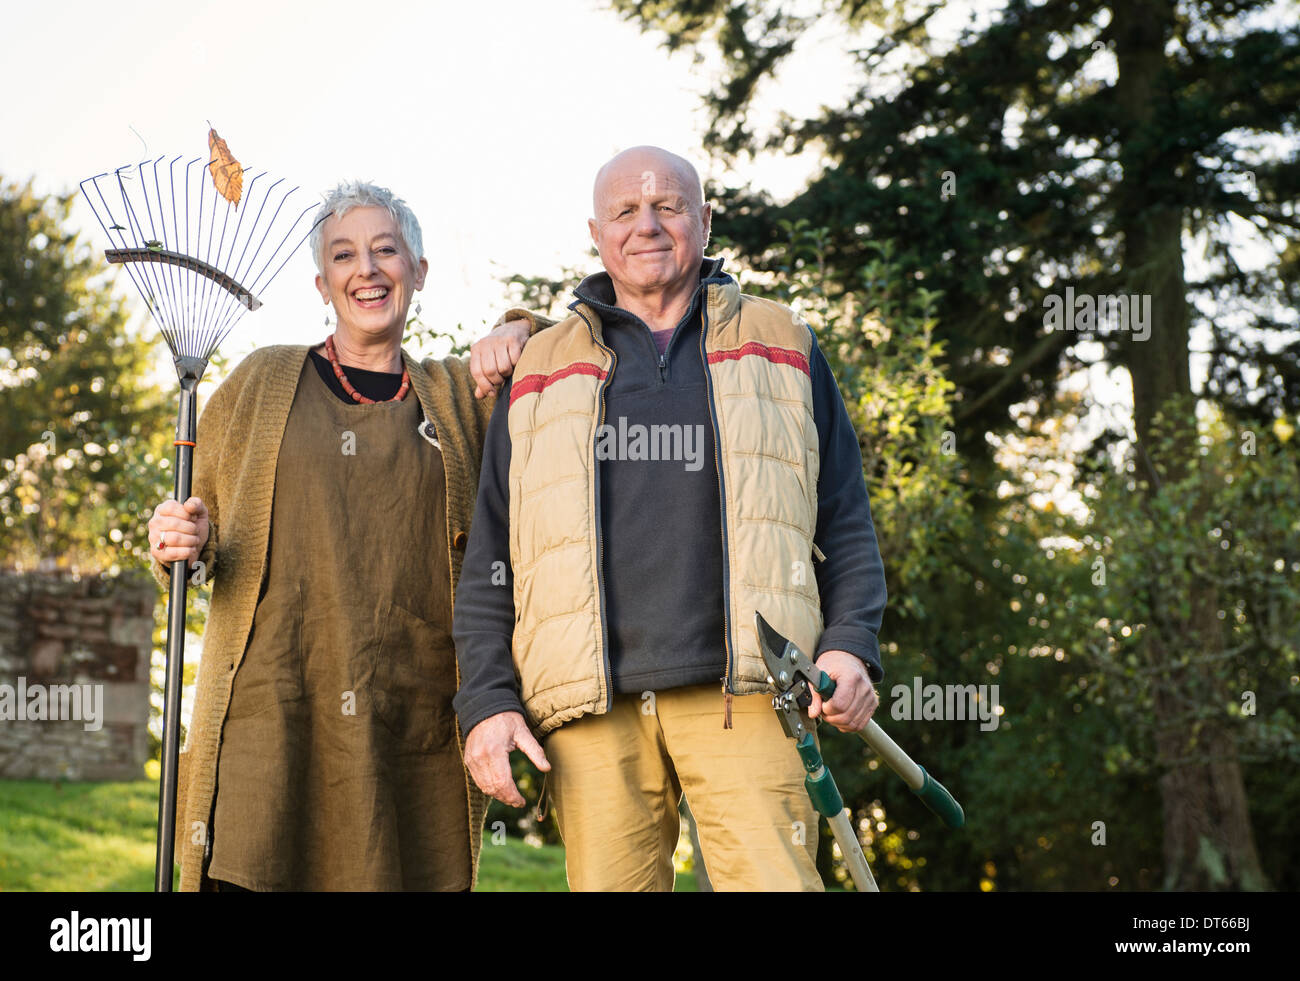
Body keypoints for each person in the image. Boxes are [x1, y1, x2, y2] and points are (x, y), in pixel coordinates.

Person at [452, 146, 888, 891]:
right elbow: (492, 550)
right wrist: (487, 699)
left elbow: (843, 515)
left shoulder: (783, 341)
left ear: (706, 221)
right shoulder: (537, 368)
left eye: (669, 207)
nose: (646, 226)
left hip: (752, 693)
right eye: (625, 211)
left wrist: (850, 643)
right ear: (597, 233)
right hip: (591, 709)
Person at [146, 180, 540, 891]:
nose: (367, 269)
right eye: (344, 255)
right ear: (322, 283)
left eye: (386, 251)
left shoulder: (462, 397)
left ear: (418, 272)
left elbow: (580, 364)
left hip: (408, 728)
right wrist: (181, 539)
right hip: (273, 718)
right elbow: (192, 547)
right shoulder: (262, 383)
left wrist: (521, 329)